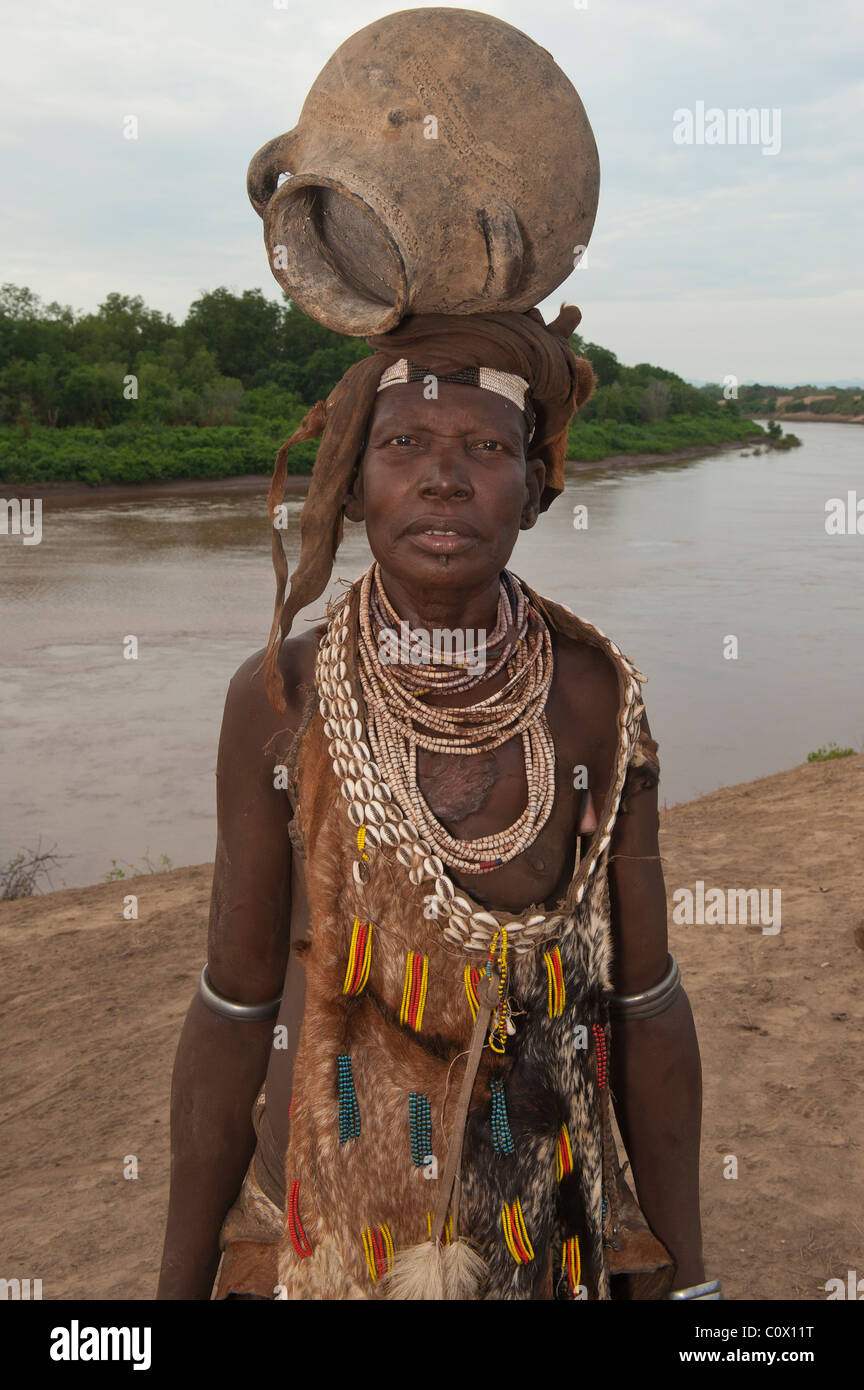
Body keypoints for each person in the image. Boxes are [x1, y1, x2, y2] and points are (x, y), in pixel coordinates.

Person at [156, 304, 717, 1301]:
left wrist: (690, 1287)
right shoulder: (280, 701)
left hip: (539, 1225)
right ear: (352, 483)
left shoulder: (593, 697)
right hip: (316, 1232)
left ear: (536, 488)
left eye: (488, 446)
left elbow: (644, 1004)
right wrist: (173, 1286)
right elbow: (235, 1003)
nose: (444, 475)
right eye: (403, 442)